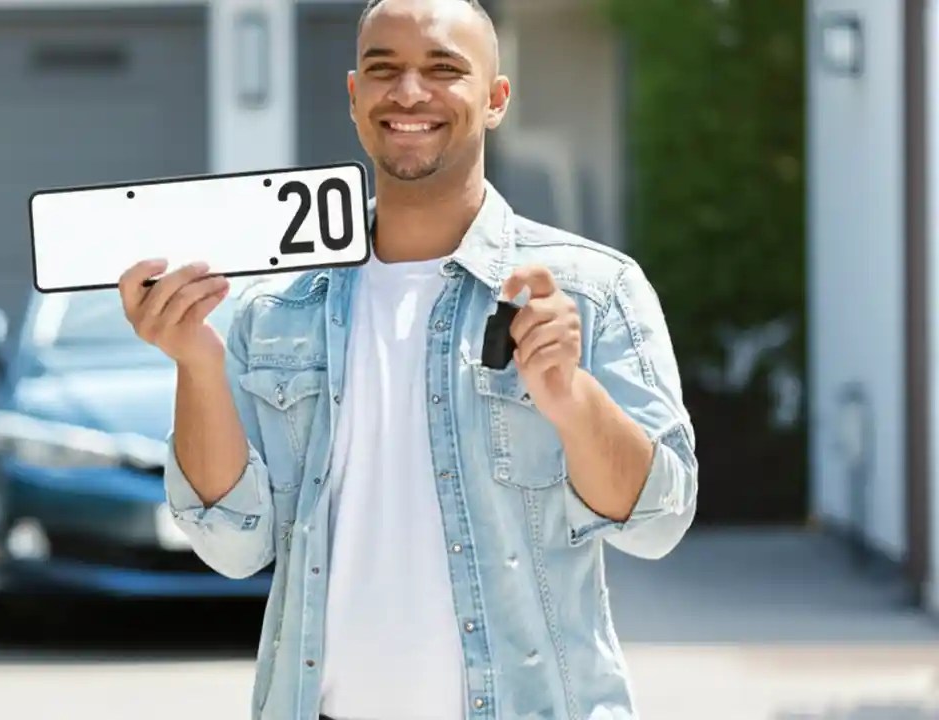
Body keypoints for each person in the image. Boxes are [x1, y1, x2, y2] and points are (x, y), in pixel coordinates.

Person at [117, 0, 698, 716]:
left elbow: (658, 523)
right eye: (384, 70)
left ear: (495, 99)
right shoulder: (276, 308)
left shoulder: (594, 289)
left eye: (444, 69)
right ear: (355, 97)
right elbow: (232, 546)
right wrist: (196, 363)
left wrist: (571, 398)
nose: (410, 92)